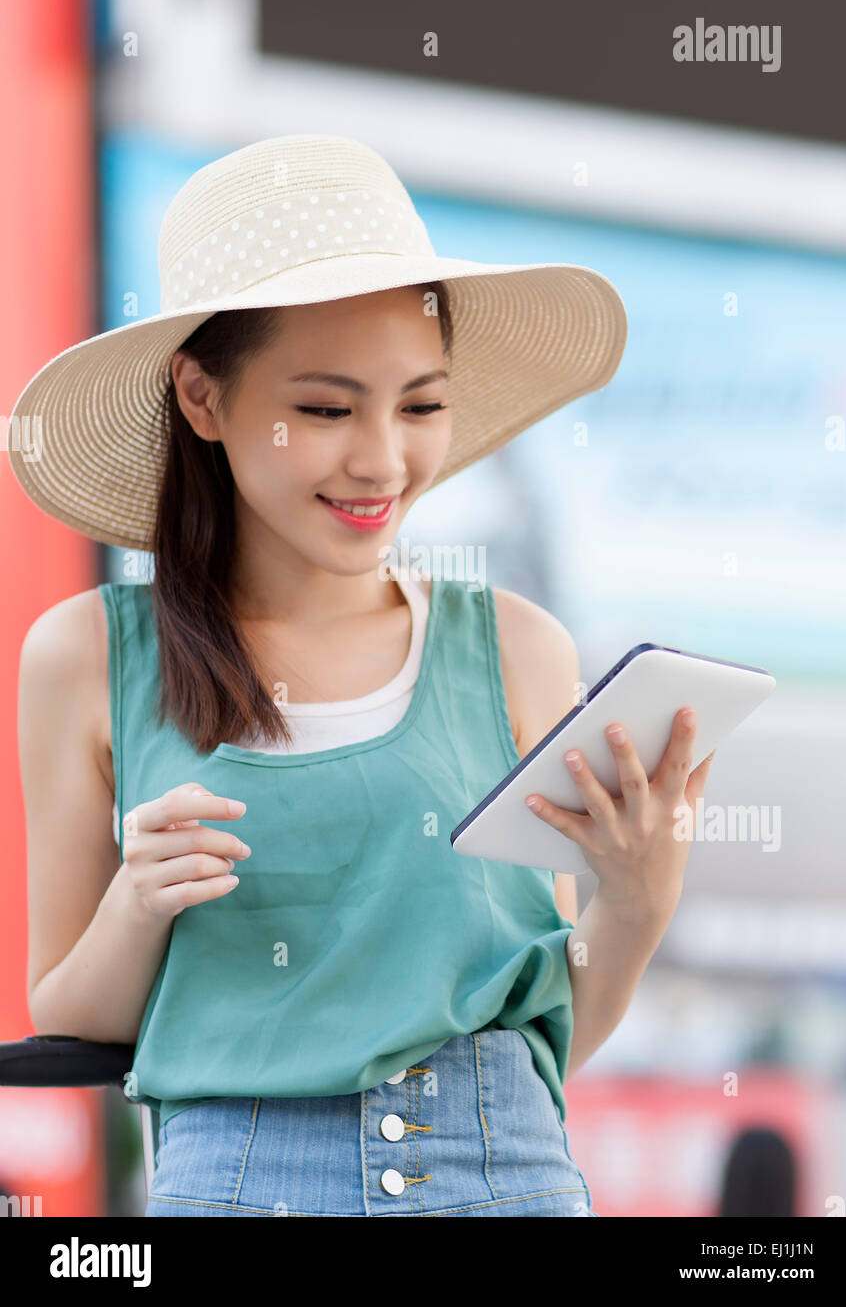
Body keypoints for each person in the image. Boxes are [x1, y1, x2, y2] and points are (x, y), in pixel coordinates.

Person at [12, 134, 712, 1217]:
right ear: (202, 398)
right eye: (329, 410)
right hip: (238, 1185)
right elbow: (69, 1013)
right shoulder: (86, 656)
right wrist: (138, 905)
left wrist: (639, 896)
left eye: (422, 406)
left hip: (508, 1173)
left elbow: (554, 1029)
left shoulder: (521, 648)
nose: (383, 460)